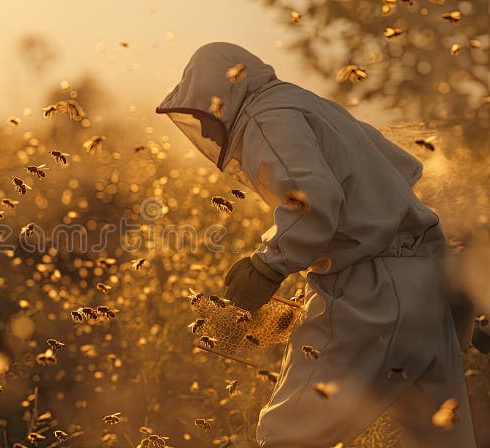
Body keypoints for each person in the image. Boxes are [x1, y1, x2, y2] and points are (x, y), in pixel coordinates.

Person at [156, 42, 477, 447]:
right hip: (427, 290)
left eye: (207, 113)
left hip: (369, 299)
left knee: (287, 436)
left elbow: (314, 203)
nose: (205, 128)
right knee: (440, 440)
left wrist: (267, 266)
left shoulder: (265, 117)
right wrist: (461, 306)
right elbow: (399, 172)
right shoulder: (309, 105)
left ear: (227, 93)